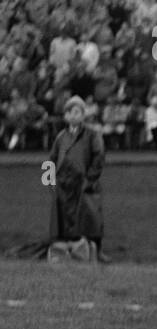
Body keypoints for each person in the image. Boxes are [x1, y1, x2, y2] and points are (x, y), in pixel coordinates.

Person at [48, 95, 107, 261]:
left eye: (77, 112)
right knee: (65, 217)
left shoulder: (93, 135)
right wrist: (49, 182)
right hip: (64, 184)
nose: (74, 115)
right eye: (70, 112)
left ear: (83, 115)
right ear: (65, 116)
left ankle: (96, 250)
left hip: (85, 183)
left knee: (91, 217)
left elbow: (99, 157)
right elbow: (51, 160)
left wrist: (90, 179)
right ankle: (70, 248)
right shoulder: (61, 137)